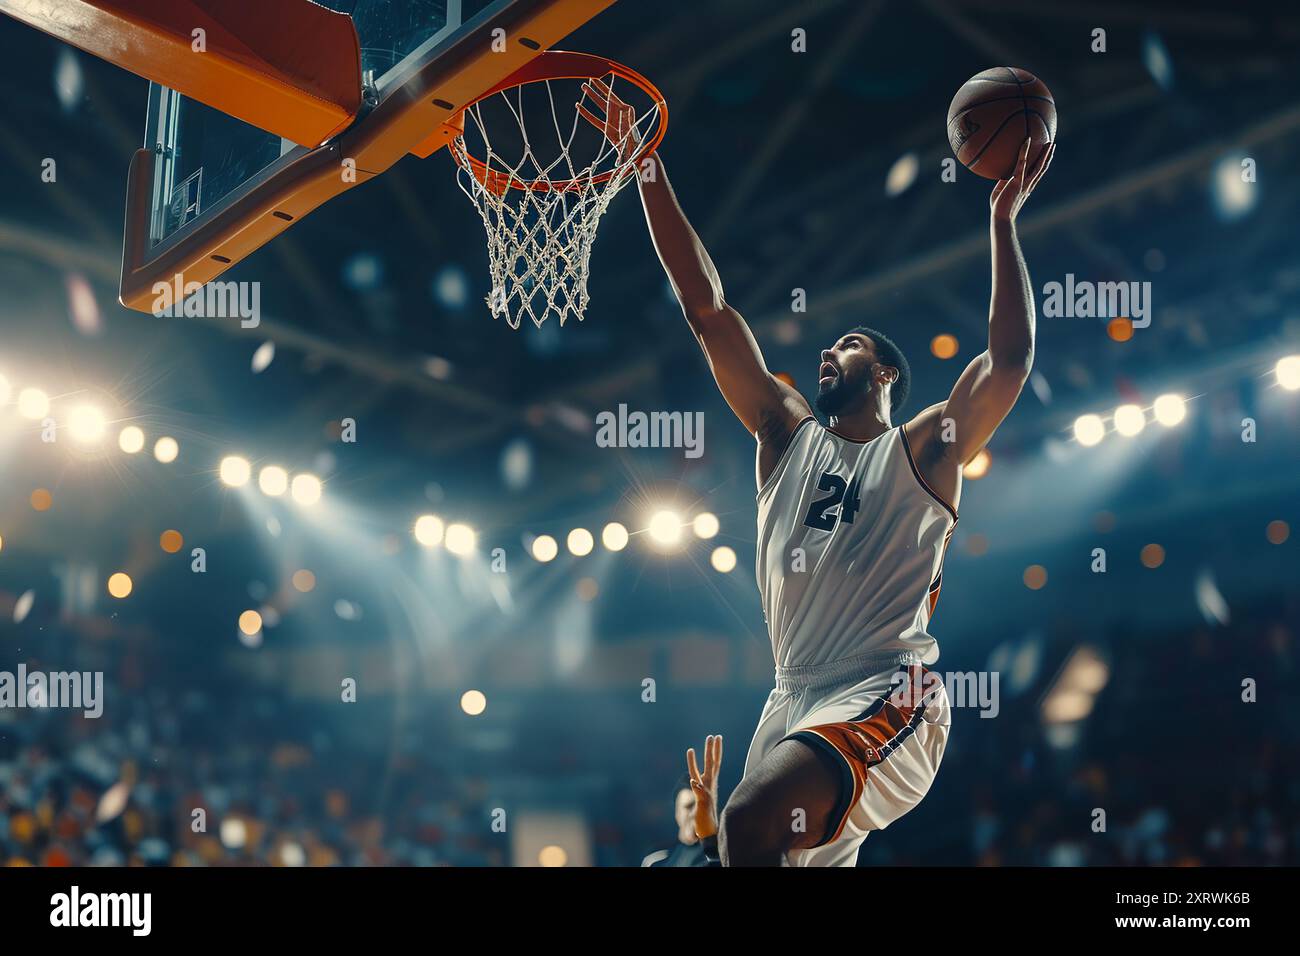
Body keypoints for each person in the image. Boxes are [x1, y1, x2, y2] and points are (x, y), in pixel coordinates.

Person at [581, 80, 1053, 866]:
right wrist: (646, 169)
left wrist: (1002, 222)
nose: (828, 352)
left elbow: (1010, 360)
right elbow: (707, 306)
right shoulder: (783, 433)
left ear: (888, 376)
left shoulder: (926, 448)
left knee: (749, 822)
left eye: (850, 347)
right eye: (829, 348)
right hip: (792, 695)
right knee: (728, 841)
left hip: (886, 687)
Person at [640, 773, 712, 867]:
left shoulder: (721, 855)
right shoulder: (656, 860)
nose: (695, 812)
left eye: (701, 805)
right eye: (689, 806)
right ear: (677, 814)